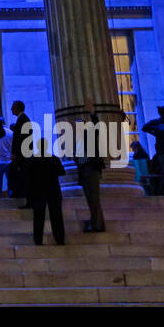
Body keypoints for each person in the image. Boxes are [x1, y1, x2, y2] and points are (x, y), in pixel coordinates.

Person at [75, 98, 107, 233]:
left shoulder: (90, 134)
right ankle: (95, 222)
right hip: (84, 170)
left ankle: (97, 225)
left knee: (94, 198)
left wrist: (92, 112)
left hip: (91, 168)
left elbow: (97, 125)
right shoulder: (78, 141)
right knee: (90, 198)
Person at [27, 139, 65, 245]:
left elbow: (29, 178)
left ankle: (38, 240)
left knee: (38, 217)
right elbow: (62, 172)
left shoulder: (33, 160)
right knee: (56, 216)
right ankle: (60, 239)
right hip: (53, 190)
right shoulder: (54, 159)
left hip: (38, 191)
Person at [9, 101, 33, 207]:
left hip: (23, 155)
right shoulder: (23, 119)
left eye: (13, 107)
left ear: (18, 108)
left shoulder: (23, 119)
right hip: (23, 154)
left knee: (25, 177)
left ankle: (28, 200)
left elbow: (21, 138)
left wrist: (16, 153)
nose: (11, 109)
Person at [0, 126, 13, 198]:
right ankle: (11, 196)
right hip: (9, 160)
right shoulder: (11, 132)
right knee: (11, 180)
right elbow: (13, 146)